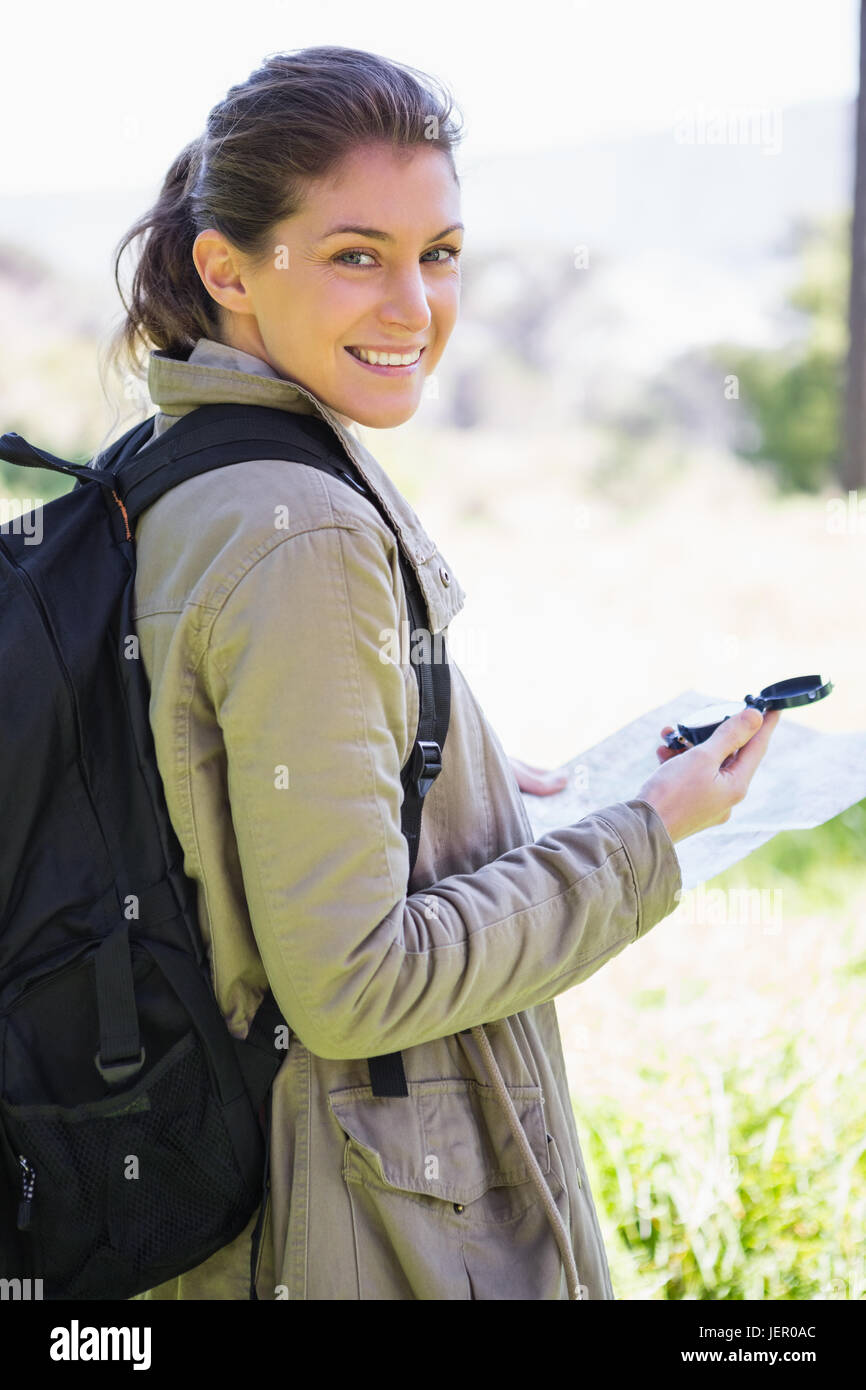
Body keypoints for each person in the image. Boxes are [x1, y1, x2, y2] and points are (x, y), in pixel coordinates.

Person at [106, 45, 779, 1301]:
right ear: (226, 268)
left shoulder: (171, 465)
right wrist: (648, 835)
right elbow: (354, 983)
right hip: (343, 1219)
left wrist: (453, 773)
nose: (415, 306)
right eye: (357, 254)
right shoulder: (298, 530)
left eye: (439, 252)